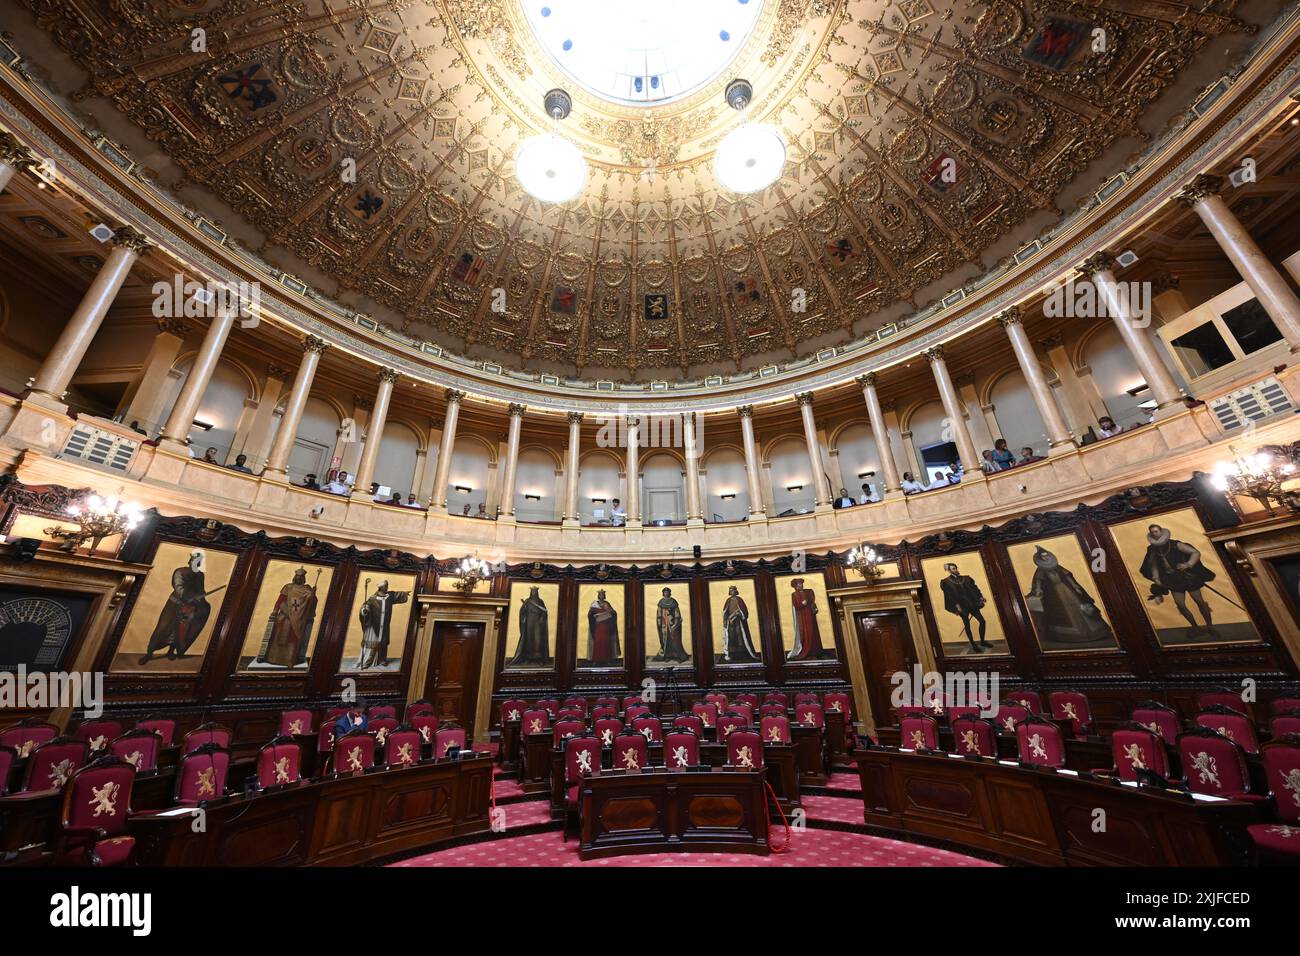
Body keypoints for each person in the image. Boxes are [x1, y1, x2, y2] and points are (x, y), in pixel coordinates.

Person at [138, 550, 219, 665]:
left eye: (198, 562)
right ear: (190, 561)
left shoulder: (200, 575)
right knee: (163, 627)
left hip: (190, 607)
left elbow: (201, 590)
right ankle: (149, 653)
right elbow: (178, 586)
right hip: (174, 604)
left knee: (181, 631)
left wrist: (201, 598)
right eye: (194, 561)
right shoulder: (180, 571)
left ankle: (171, 651)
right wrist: (188, 596)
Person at [1024, 546, 1115, 648]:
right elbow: (1038, 582)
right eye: (1043, 557)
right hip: (1054, 596)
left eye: (1046, 556)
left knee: (1082, 610)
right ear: (1040, 559)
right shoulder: (1040, 571)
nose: (1046, 558)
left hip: (1069, 592)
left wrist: (1075, 586)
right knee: (1063, 614)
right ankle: (1068, 636)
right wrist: (1038, 590)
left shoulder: (1058, 568)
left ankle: (1092, 632)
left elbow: (1068, 577)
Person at [1139, 523, 1219, 638]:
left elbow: (1195, 553)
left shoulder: (1175, 544)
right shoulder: (1152, 549)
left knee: (1199, 602)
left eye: (1156, 531)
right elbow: (1154, 565)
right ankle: (1195, 628)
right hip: (1173, 580)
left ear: (1161, 531)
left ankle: (1210, 626)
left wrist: (1188, 564)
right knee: (1180, 605)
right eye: (1152, 532)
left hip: (1187, 577)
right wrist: (1156, 577)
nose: (1154, 534)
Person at [257, 567, 319, 667]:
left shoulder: (307, 589)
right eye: (297, 576)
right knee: (277, 636)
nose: (299, 578)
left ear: (303, 578)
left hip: (298, 619)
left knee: (292, 639)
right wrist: (275, 611)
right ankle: (273, 658)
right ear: (295, 577)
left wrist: (313, 595)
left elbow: (312, 602)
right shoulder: (288, 587)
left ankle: (289, 660)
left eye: (301, 577)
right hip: (284, 615)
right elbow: (280, 600)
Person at [355, 579, 410, 669]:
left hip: (384, 625)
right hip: (374, 625)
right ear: (381, 588)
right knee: (372, 643)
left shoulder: (389, 596)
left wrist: (404, 593)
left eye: (387, 586)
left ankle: (381, 660)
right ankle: (367, 661)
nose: (387, 588)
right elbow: (365, 606)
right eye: (385, 586)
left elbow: (397, 595)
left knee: (383, 642)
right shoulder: (372, 599)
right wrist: (364, 610)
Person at [940, 562, 990, 653]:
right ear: (949, 571)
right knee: (967, 625)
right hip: (961, 607)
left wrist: (980, 597)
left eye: (955, 568)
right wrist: (956, 606)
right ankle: (973, 645)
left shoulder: (966, 578)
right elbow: (949, 596)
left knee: (982, 621)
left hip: (972, 604)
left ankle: (982, 641)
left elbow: (975, 588)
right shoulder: (946, 582)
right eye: (953, 569)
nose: (955, 570)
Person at [786, 578, 826, 660]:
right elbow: (796, 606)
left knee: (813, 631)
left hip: (811, 615)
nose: (801, 585)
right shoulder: (794, 595)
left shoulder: (808, 591)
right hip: (803, 617)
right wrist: (802, 604)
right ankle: (807, 651)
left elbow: (812, 600)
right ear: (795, 586)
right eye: (799, 584)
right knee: (806, 632)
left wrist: (813, 606)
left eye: (801, 583)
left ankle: (816, 651)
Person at [509, 586, 551, 666]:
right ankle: (527, 658)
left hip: (537, 624)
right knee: (528, 640)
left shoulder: (540, 601)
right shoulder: (528, 601)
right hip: (529, 622)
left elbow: (544, 611)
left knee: (537, 640)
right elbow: (522, 611)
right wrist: (524, 611)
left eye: (535, 592)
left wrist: (542, 617)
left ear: (537, 593)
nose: (533, 593)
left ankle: (538, 659)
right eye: (532, 592)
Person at [720, 585, 761, 663]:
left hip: (739, 622)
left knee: (740, 636)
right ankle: (732, 654)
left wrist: (738, 614)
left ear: (736, 591)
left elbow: (744, 610)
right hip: (730, 622)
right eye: (731, 590)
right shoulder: (728, 600)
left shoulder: (739, 600)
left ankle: (742, 653)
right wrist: (727, 620)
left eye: (733, 590)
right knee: (732, 637)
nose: (732, 592)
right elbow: (725, 611)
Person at [653, 586, 690, 663]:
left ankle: (677, 655)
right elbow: (659, 613)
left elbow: (677, 613)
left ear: (670, 593)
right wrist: (659, 621)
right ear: (663, 593)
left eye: (667, 592)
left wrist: (675, 623)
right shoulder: (661, 602)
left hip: (673, 625)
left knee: (675, 639)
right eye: (665, 592)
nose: (666, 593)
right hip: (664, 625)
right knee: (665, 640)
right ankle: (667, 655)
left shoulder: (673, 602)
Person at [586, 588, 621, 663]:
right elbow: (590, 615)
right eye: (600, 595)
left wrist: (609, 611)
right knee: (598, 641)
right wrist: (595, 615)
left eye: (603, 595)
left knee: (606, 641)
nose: (601, 596)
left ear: (604, 596)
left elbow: (613, 613)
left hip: (606, 626)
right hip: (597, 626)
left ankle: (607, 659)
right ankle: (596, 659)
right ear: (598, 596)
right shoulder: (594, 604)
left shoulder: (607, 603)